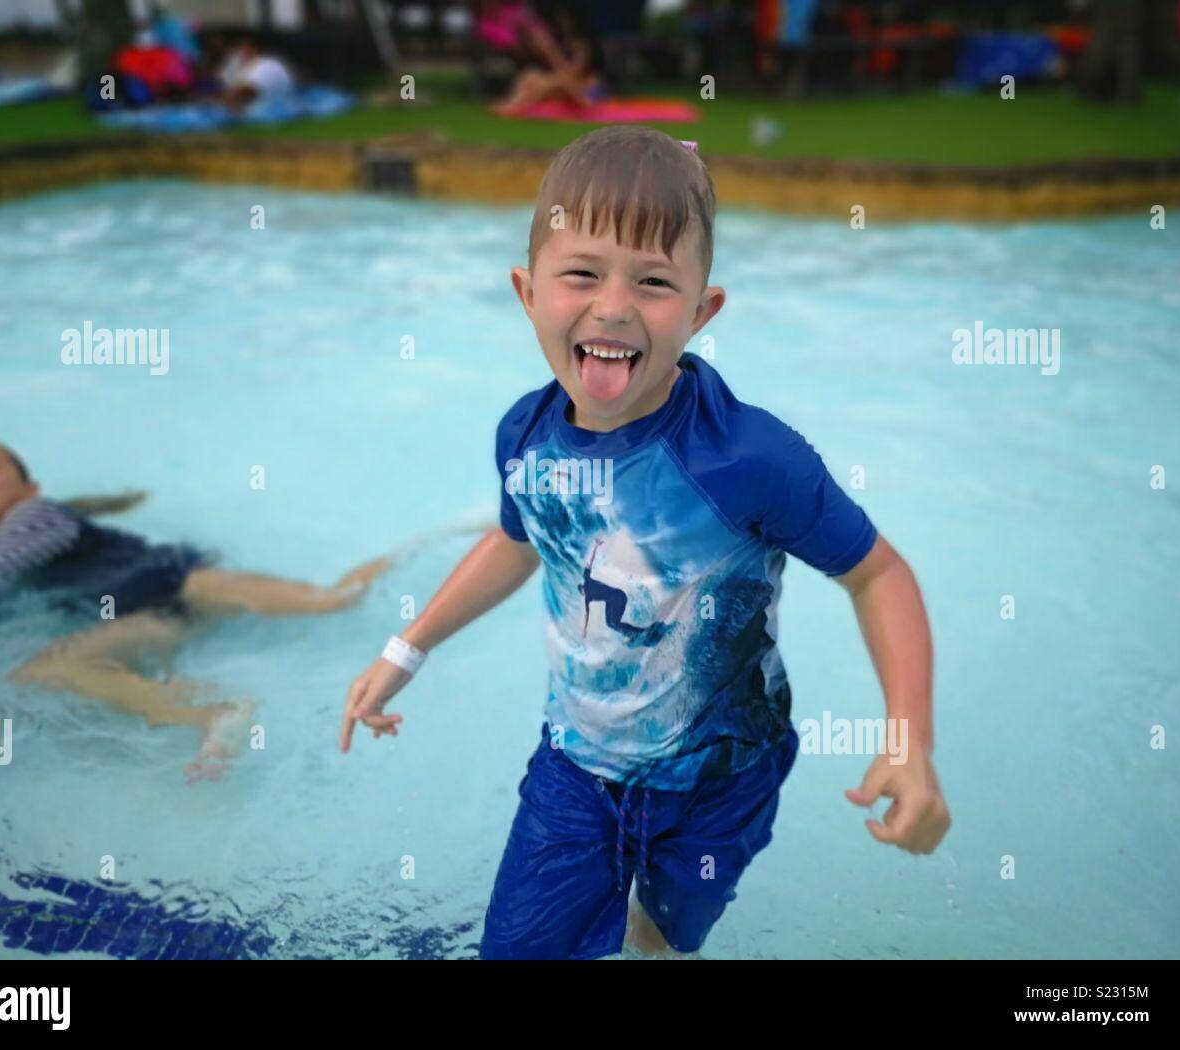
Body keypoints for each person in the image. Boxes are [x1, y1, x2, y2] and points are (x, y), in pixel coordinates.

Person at [340, 127, 950, 960]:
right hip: (575, 774)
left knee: (653, 948)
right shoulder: (527, 436)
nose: (614, 305)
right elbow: (521, 541)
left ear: (704, 311)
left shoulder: (750, 459)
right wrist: (406, 649)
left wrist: (908, 741)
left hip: (720, 780)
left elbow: (879, 576)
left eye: (655, 282)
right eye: (581, 273)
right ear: (527, 291)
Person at [0, 441, 391, 783]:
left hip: (180, 581)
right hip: (147, 614)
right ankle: (212, 712)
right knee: (46, 670)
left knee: (334, 600)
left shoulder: (32, 519)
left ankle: (428, 548)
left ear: (32, 489)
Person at [489, 5, 609, 115]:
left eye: (566, 20)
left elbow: (576, 71)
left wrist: (554, 65)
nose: (564, 24)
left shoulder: (581, 44)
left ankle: (515, 106)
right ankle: (512, 101)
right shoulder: (561, 43)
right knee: (531, 74)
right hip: (569, 84)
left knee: (550, 82)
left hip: (585, 88)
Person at [218, 40, 294, 112]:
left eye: (238, 53)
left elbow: (244, 91)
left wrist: (223, 98)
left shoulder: (262, 66)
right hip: (281, 102)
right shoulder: (266, 63)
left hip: (269, 107)